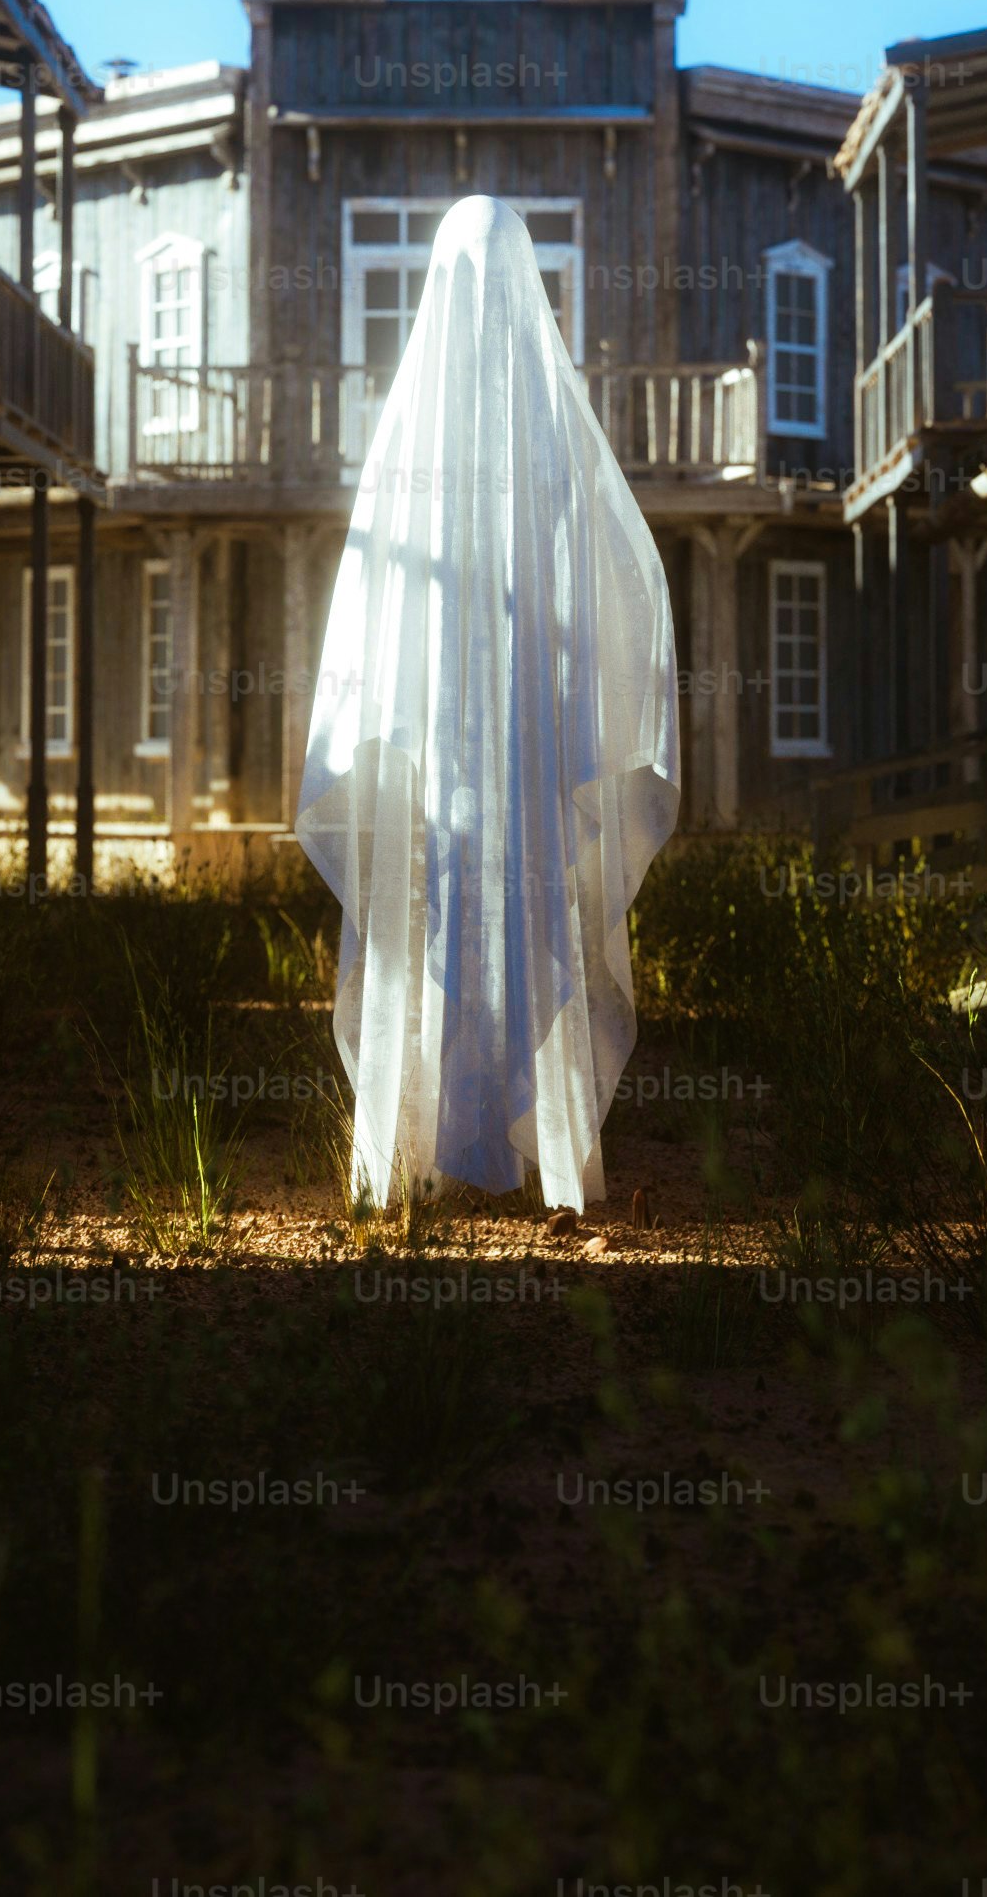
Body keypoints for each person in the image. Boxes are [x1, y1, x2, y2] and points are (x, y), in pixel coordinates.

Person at [295, 196, 680, 1213]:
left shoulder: (442, 436)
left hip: (488, 744)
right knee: (495, 907)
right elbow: (617, 585)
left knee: (441, 915)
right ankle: (511, 1156)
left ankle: (430, 1155)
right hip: (497, 748)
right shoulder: (531, 434)